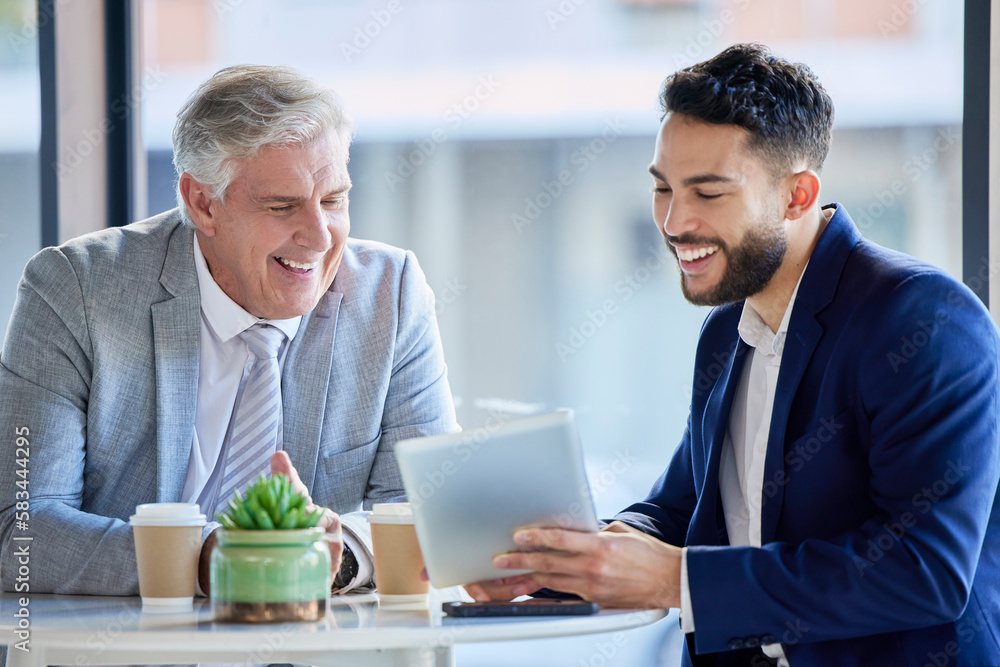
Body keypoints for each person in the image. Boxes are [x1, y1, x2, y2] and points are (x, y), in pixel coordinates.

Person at [469, 44, 1000, 666]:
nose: (673, 221)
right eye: (662, 188)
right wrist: (559, 564)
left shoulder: (923, 318)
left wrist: (677, 580)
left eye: (708, 193)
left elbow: (923, 570)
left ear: (797, 195)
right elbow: (681, 509)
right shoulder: (728, 328)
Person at [0, 65, 457, 598]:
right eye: (282, 206)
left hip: (315, 636)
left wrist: (338, 553)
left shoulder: (390, 294)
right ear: (203, 204)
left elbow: (430, 506)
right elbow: (20, 528)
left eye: (333, 200)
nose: (319, 236)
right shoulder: (77, 289)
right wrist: (208, 558)